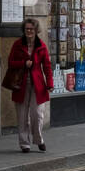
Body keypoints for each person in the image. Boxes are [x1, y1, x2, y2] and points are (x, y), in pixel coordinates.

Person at [8, 18, 53, 152]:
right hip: (20, 84)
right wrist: (23, 63)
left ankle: (39, 139)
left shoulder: (41, 46)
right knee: (22, 116)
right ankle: (24, 144)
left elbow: (47, 66)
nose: (29, 31)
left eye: (31, 29)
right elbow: (10, 63)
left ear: (36, 30)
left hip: (37, 85)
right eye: (27, 29)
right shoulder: (17, 44)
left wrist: (50, 83)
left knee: (37, 114)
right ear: (24, 30)